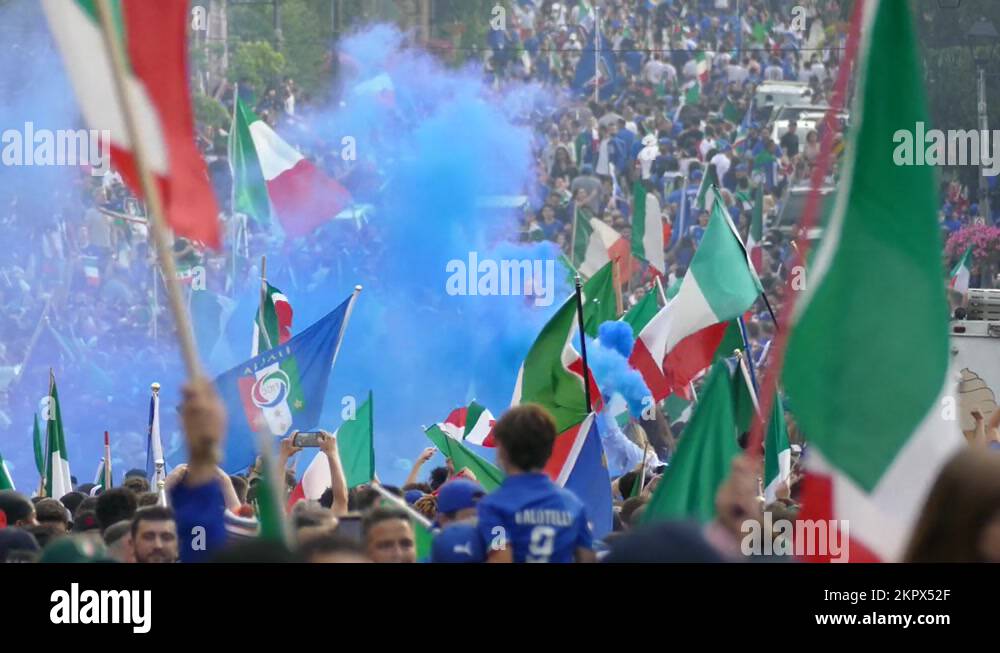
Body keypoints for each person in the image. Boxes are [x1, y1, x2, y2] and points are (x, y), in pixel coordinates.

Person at [476, 405, 595, 563]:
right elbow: (587, 558)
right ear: (549, 451)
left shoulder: (493, 506)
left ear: (503, 451)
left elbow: (501, 557)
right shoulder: (572, 505)